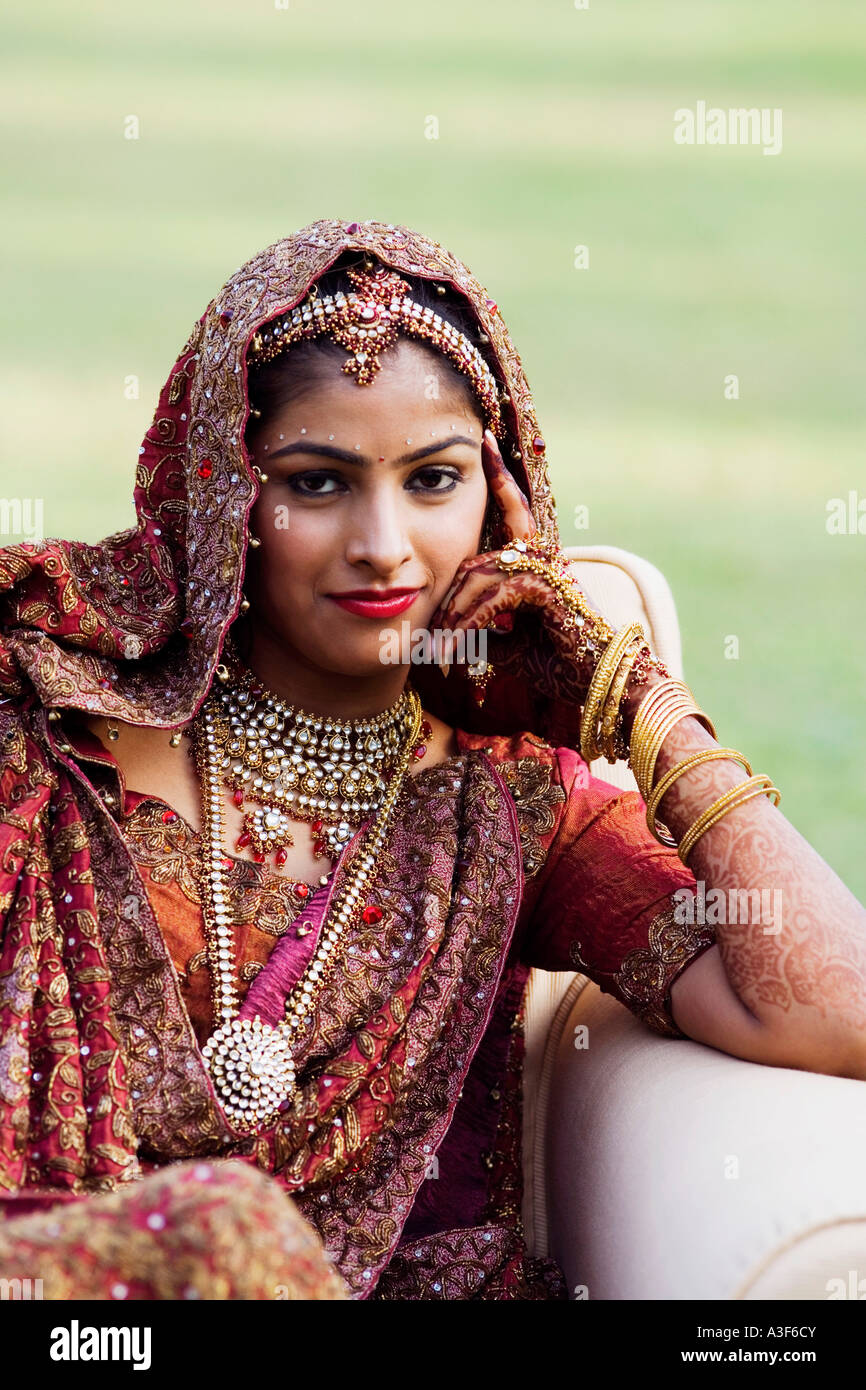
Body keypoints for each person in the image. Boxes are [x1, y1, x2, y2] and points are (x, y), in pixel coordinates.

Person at [1, 218, 864, 1302]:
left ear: (496, 507)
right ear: (226, 495)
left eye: (433, 479)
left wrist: (635, 699)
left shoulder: (509, 810)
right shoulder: (50, 714)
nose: (381, 544)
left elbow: (837, 1010)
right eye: (316, 483)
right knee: (222, 1235)